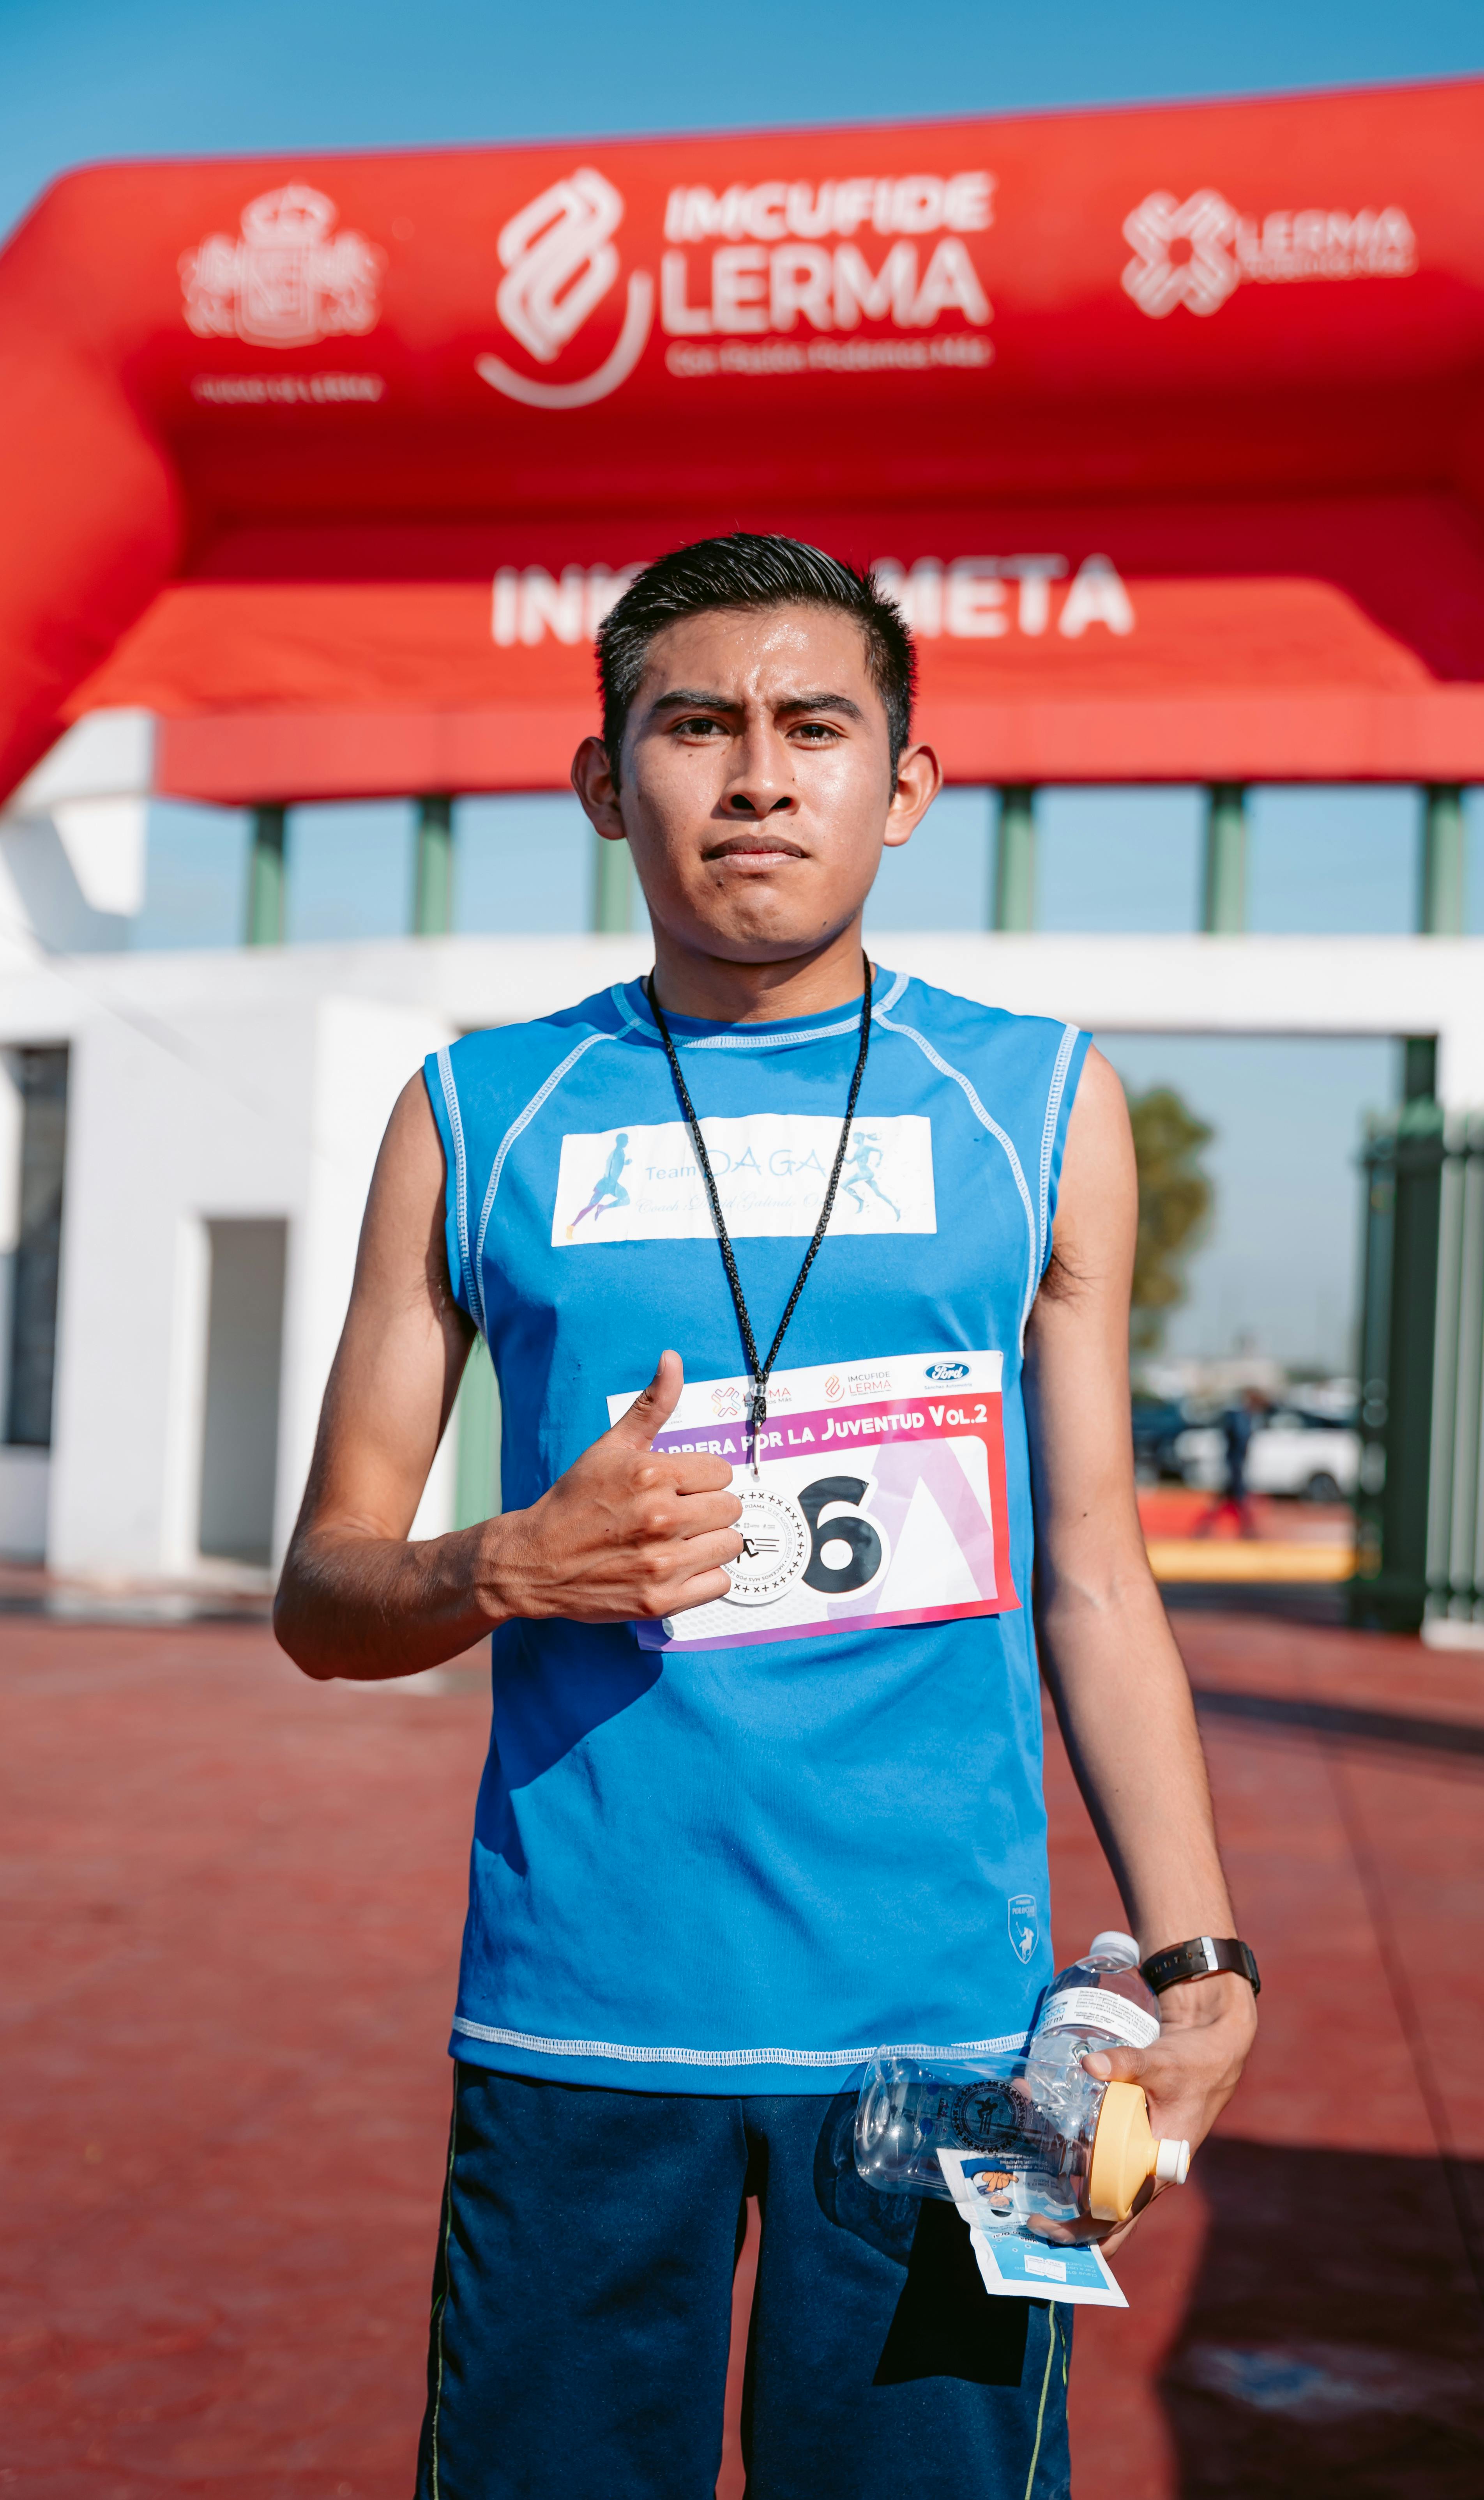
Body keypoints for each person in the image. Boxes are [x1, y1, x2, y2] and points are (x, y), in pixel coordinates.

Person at [274, 534, 1258, 2500]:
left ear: (904, 785)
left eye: (817, 726)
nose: (756, 774)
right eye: (694, 725)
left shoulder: (1040, 1106)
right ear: (598, 780)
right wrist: (504, 1562)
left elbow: (1092, 1572)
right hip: (579, 2031)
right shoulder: (477, 1114)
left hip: (945, 2044)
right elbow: (321, 1589)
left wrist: (1199, 1945)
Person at [1192, 1387, 1267, 1539]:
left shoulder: (1246, 1417)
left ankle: (1205, 1529)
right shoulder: (1239, 1417)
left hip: (1236, 1465)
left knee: (1227, 1502)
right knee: (1240, 1500)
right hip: (1234, 1466)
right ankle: (1248, 1532)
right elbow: (1238, 1439)